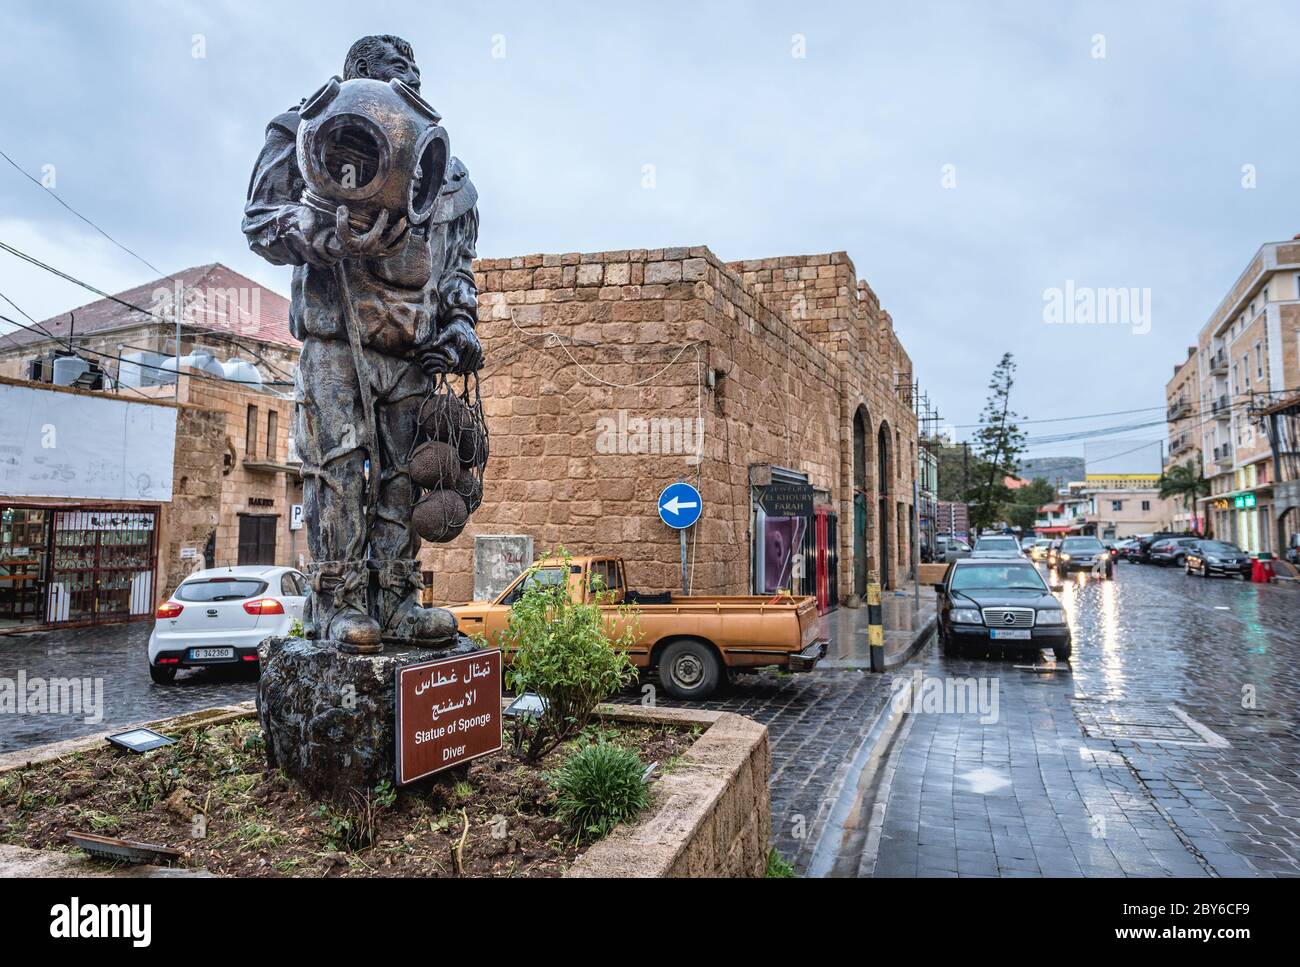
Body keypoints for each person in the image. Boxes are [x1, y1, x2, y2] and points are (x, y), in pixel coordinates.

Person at [242, 34, 481, 650]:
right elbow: (261, 221)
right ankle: (338, 600)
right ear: (359, 74)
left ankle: (399, 598)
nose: (412, 75)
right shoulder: (308, 127)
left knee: (405, 476)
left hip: (412, 351)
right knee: (337, 468)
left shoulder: (445, 172)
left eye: (416, 68)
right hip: (336, 339)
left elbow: (458, 266)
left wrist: (459, 325)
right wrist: (322, 232)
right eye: (396, 67)